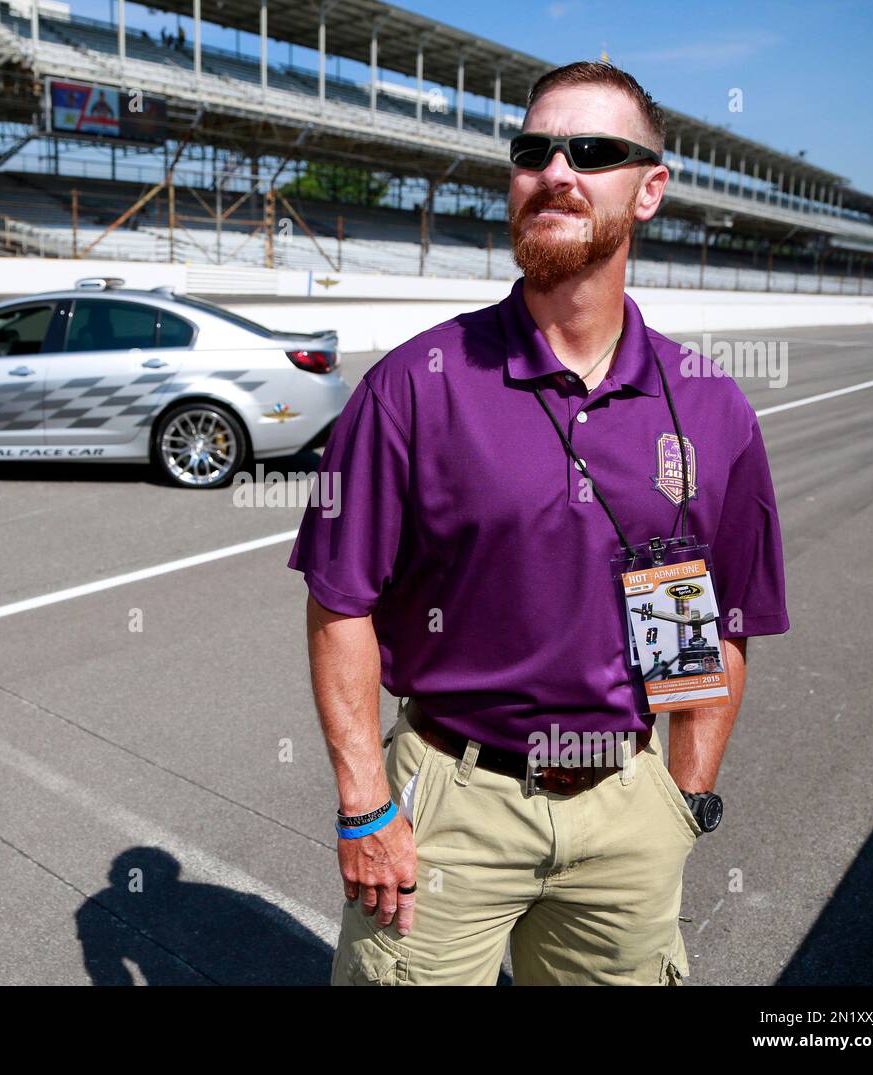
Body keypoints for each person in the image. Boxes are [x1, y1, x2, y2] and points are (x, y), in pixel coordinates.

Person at [288, 60, 790, 986]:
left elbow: (717, 622)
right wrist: (365, 803)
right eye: (533, 151)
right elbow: (340, 602)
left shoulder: (712, 407)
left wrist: (683, 797)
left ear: (649, 191)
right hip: (448, 803)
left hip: (628, 810)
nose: (555, 170)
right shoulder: (413, 383)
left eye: (591, 151)